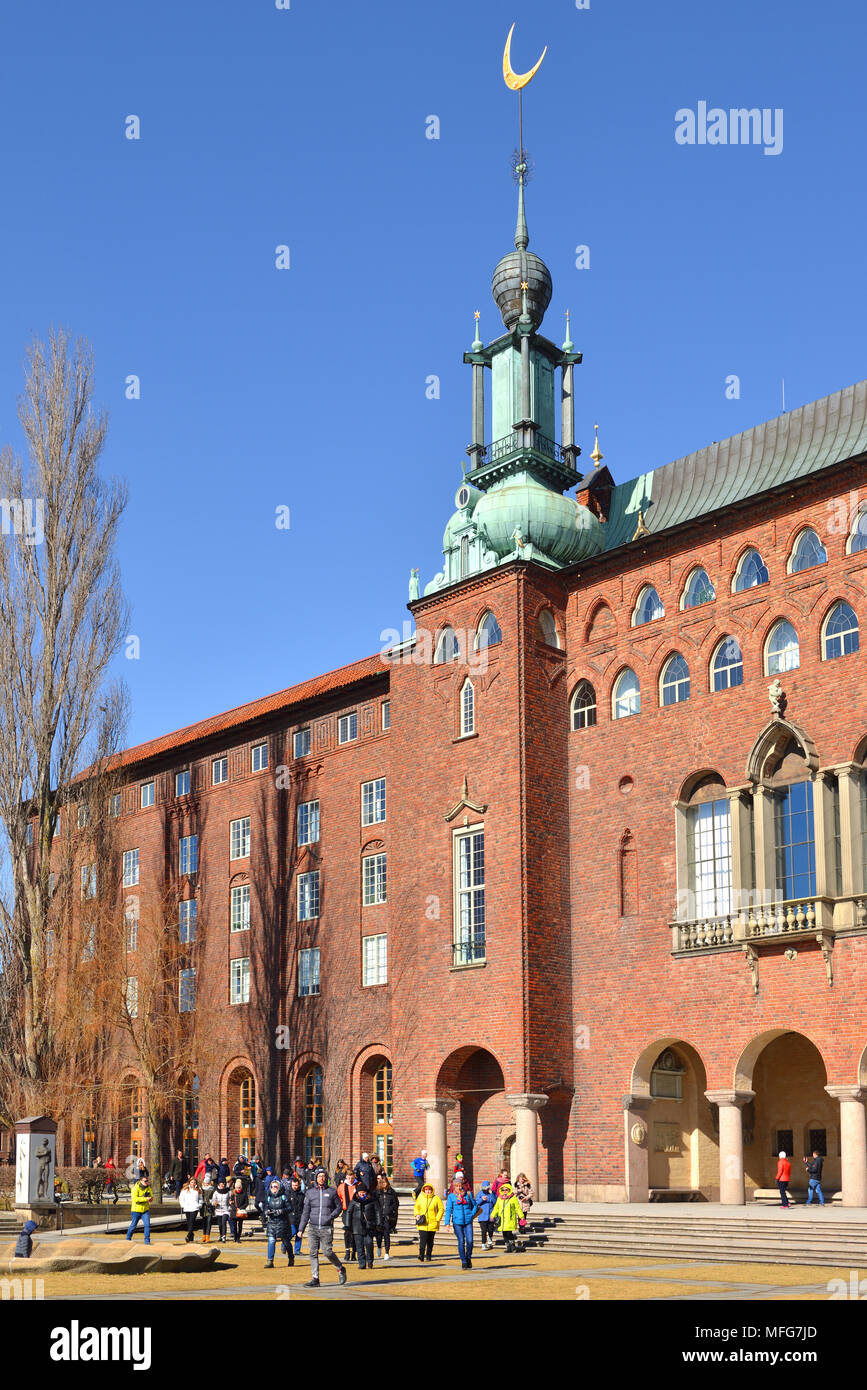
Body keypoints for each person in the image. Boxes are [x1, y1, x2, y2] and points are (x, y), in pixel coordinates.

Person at [297, 1168, 348, 1288]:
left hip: (326, 1227)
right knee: (313, 1253)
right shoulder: (310, 1193)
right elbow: (305, 1212)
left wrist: (331, 1216)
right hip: (313, 1227)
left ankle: (340, 1268)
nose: (321, 1178)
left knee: (327, 1252)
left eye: (323, 1176)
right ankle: (315, 1278)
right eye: (319, 1176)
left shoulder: (332, 1192)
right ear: (316, 1178)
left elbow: (339, 1207)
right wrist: (301, 1229)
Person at [444, 1178, 479, 1269]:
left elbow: (475, 1205)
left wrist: (471, 1214)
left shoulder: (468, 1194)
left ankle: (468, 1257)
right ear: (454, 1187)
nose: (459, 1188)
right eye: (457, 1186)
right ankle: (463, 1261)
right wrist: (447, 1223)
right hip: (457, 1222)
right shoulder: (451, 1196)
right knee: (461, 1241)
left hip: (468, 1221)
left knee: (470, 1241)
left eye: (460, 1185)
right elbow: (448, 1210)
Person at [263, 1177, 295, 1268]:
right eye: (272, 1187)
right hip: (272, 1222)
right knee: (271, 1240)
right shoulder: (269, 1198)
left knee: (285, 1241)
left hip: (283, 1222)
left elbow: (290, 1208)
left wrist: (281, 1211)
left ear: (279, 1187)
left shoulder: (284, 1197)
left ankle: (291, 1257)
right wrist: (266, 1212)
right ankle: (270, 1261)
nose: (274, 1188)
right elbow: (265, 1207)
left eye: (275, 1187)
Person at [346, 1183, 378, 1270]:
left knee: (369, 1244)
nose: (362, 1194)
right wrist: (348, 1225)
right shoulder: (354, 1201)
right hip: (357, 1226)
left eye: (363, 1192)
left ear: (366, 1192)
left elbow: (377, 1212)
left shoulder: (372, 1200)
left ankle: (370, 1261)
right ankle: (362, 1263)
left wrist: (378, 1223)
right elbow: (349, 1212)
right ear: (357, 1193)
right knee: (359, 1246)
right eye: (360, 1192)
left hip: (369, 1226)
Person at [413, 1182, 444, 1263]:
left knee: (430, 1241)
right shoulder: (420, 1197)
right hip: (422, 1223)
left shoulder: (436, 1198)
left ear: (432, 1190)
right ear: (423, 1190)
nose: (428, 1191)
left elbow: (441, 1209)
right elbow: (416, 1207)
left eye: (429, 1189)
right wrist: (417, 1214)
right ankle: (421, 1255)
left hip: (432, 1223)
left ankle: (429, 1255)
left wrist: (437, 1218)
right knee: (423, 1240)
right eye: (426, 1190)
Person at [491, 1181, 522, 1253]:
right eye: (503, 1190)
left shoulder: (513, 1198)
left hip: (510, 1219)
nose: (504, 1191)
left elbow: (517, 1208)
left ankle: (513, 1246)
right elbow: (496, 1208)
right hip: (502, 1219)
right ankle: (508, 1246)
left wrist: (521, 1216)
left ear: (509, 1190)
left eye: (506, 1190)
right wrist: (492, 1215)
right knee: (504, 1233)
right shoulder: (499, 1198)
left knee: (509, 1233)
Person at [125, 1167, 154, 1245]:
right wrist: (145, 1199)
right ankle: (128, 1239)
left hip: (145, 1210)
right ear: (140, 1181)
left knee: (147, 1225)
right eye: (145, 1181)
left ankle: (147, 1241)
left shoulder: (148, 1188)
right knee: (133, 1226)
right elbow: (135, 1199)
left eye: (147, 1181)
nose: (147, 1182)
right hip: (136, 1210)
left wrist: (151, 1199)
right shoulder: (135, 1188)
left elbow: (151, 1196)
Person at [375, 1174, 399, 1261]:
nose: (384, 1184)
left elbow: (396, 1203)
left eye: (385, 1182)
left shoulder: (392, 1192)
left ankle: (387, 1252)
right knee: (378, 1235)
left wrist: (392, 1211)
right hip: (379, 1217)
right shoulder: (377, 1192)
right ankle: (378, 1247)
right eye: (382, 1182)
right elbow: (375, 1203)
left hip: (388, 1217)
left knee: (386, 1235)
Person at [336, 1169, 357, 1263]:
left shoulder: (358, 1185)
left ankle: (354, 1252)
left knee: (355, 1232)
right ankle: (347, 1250)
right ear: (346, 1177)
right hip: (346, 1211)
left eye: (352, 1178)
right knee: (347, 1231)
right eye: (349, 1178)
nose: (351, 1180)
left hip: (356, 1212)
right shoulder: (341, 1186)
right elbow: (338, 1197)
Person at [474, 1181, 496, 1251]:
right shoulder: (480, 1193)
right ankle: (483, 1244)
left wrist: (492, 1194)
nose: (486, 1189)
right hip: (482, 1215)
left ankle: (490, 1239)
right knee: (483, 1230)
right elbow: (476, 1203)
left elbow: (496, 1202)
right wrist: (481, 1199)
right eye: (484, 1188)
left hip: (491, 1215)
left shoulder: (492, 1193)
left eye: (487, 1188)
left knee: (490, 1229)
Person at [287, 1174, 305, 1256]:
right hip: (291, 1216)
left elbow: (303, 1205)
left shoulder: (301, 1194)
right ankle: (285, 1243)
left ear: (299, 1185)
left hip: (300, 1216)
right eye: (293, 1185)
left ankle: (297, 1250)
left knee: (299, 1233)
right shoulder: (287, 1193)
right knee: (293, 1232)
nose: (294, 1187)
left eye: (296, 1185)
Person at [179, 1178, 202, 1242]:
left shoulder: (198, 1190)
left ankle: (188, 1235)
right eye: (192, 1182)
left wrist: (199, 1205)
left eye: (194, 1182)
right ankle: (191, 1236)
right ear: (189, 1183)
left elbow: (200, 1198)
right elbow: (181, 1198)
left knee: (192, 1221)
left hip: (194, 1207)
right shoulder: (185, 1189)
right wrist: (182, 1205)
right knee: (189, 1222)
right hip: (187, 1208)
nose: (193, 1184)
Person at [229, 1178, 249, 1242]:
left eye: (239, 1187)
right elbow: (230, 1203)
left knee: (240, 1225)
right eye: (237, 1188)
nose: (238, 1189)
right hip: (234, 1211)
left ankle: (238, 1238)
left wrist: (241, 1208)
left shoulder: (244, 1193)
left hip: (241, 1211)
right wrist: (235, 1208)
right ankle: (235, 1237)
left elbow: (246, 1203)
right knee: (234, 1225)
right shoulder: (233, 1193)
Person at [514, 1171, 534, 1235]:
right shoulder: (516, 1185)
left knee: (524, 1216)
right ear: (518, 1179)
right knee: (519, 1217)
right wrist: (518, 1191)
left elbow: (531, 1193)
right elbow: (513, 1193)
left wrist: (526, 1197)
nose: (521, 1180)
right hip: (518, 1203)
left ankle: (523, 1228)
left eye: (523, 1179)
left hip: (525, 1203)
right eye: (520, 1179)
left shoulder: (528, 1185)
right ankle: (521, 1228)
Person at [200, 1169, 216, 1243]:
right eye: (205, 1183)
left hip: (210, 1207)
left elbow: (214, 1198)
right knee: (204, 1222)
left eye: (207, 1183)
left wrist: (211, 1202)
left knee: (209, 1221)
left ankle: (208, 1236)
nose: (206, 1184)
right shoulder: (201, 1190)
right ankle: (203, 1235)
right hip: (203, 1207)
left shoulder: (212, 1189)